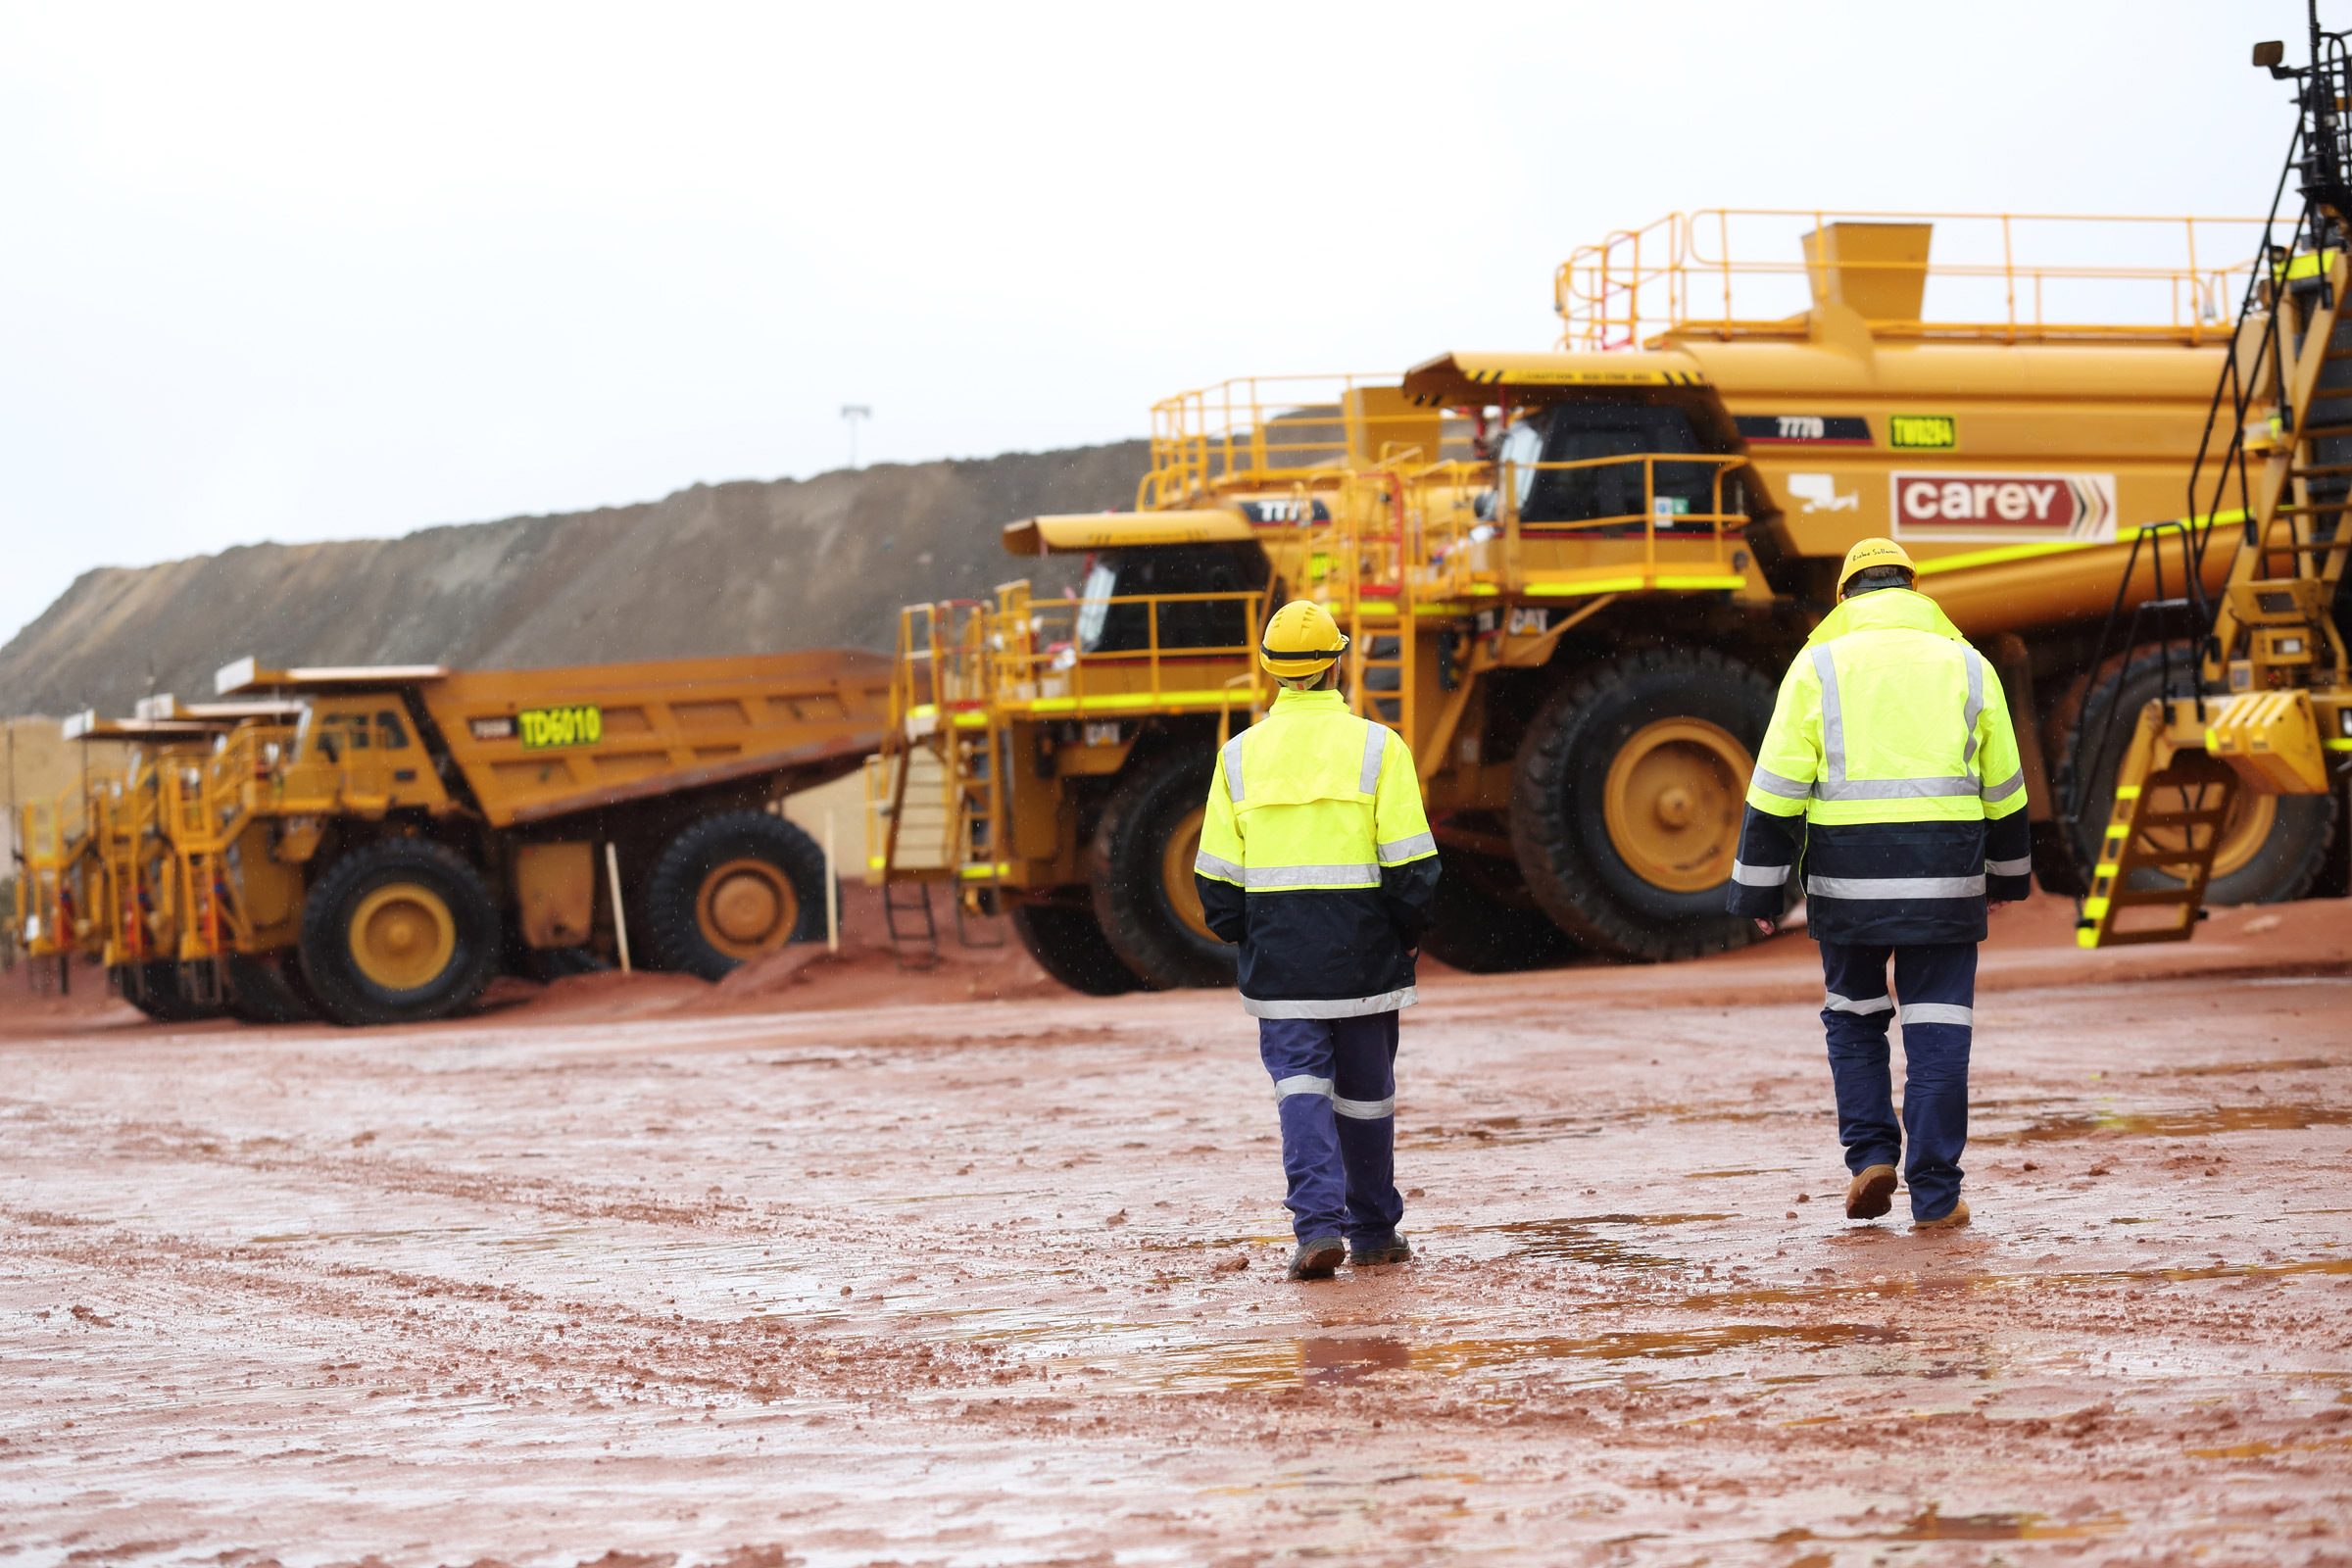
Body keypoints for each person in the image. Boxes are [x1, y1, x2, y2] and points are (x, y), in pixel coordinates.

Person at [1726, 538, 2031, 1232]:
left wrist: (1760, 894)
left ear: (1846, 597)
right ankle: (1936, 1194)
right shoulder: (1968, 664)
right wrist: (2008, 876)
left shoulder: (1817, 665)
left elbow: (1775, 789)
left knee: (1854, 1018)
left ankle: (1869, 1153)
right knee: (1938, 1032)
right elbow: (2005, 786)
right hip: (1947, 881)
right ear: (1914, 589)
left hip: (1847, 885)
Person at [1194, 600, 1442, 1280]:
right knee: (1366, 1097)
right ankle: (1374, 1233)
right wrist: (1406, 935)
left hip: (1281, 964)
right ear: (1338, 662)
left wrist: (1249, 936)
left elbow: (1215, 882)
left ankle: (1316, 1227)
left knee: (1300, 1089)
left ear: (1271, 671)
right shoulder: (1379, 747)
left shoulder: (1237, 757)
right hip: (1366, 958)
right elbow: (1413, 868)